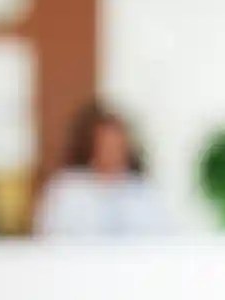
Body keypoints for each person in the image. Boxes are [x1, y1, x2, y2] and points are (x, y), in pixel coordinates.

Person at [33, 101, 167, 237]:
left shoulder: (144, 191)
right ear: (92, 146)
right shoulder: (67, 190)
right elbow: (49, 237)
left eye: (117, 143)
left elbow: (163, 238)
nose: (112, 150)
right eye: (106, 143)